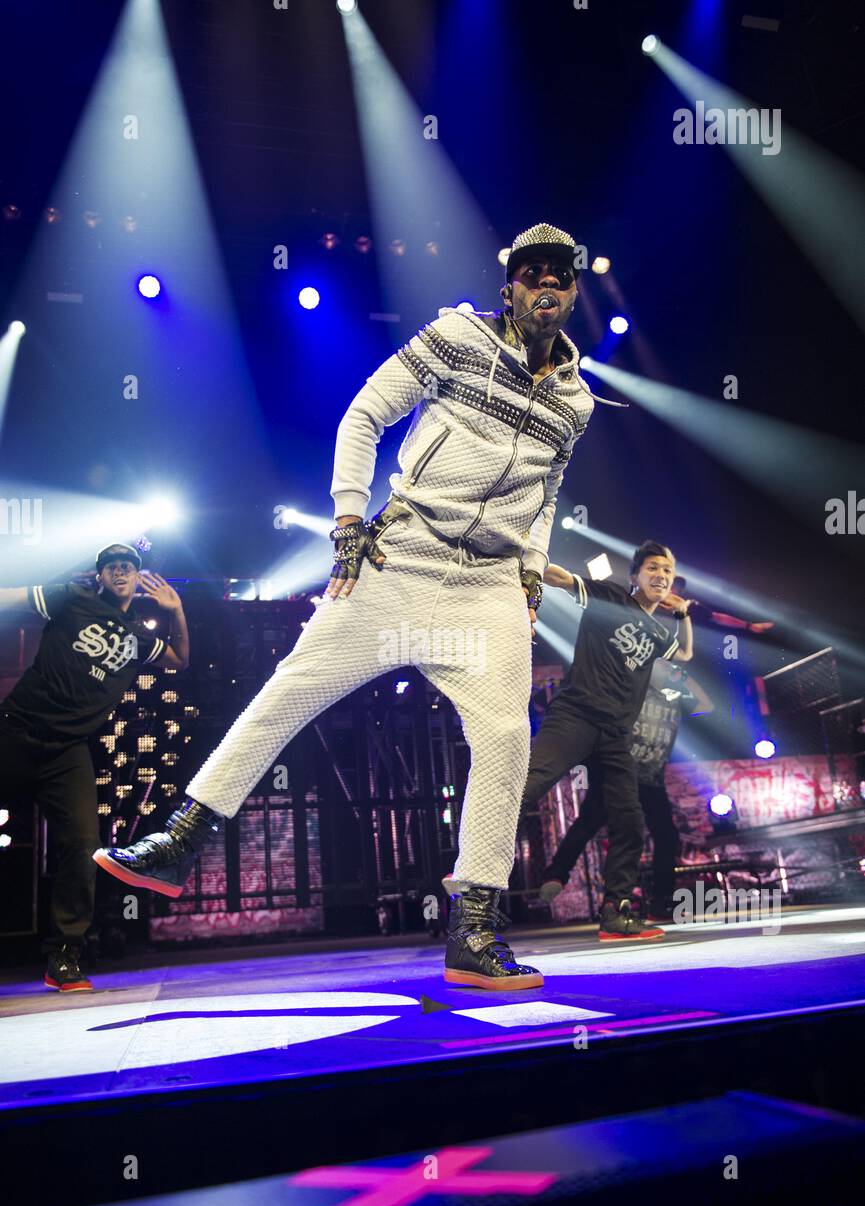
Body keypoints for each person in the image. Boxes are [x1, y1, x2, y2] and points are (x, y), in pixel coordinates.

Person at [94, 222, 607, 991]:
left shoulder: (576, 401)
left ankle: (473, 930)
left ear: (570, 293)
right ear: (509, 286)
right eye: (530, 272)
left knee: (504, 738)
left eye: (558, 277)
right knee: (292, 687)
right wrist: (344, 522)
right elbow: (364, 413)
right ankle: (179, 841)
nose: (544, 286)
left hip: (489, 585)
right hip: (402, 557)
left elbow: (546, 496)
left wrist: (532, 568)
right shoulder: (456, 337)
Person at [0, 544, 189, 990]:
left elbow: (181, 660)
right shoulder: (72, 599)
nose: (121, 573)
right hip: (16, 731)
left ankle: (64, 957)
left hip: (68, 752)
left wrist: (176, 611)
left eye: (128, 567)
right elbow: (12, 596)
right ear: (100, 575)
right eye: (112, 567)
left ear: (138, 578)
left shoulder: (139, 638)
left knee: (86, 845)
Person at [517, 541, 693, 942]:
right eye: (652, 568)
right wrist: (524, 562)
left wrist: (681, 615)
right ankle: (471, 863)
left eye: (667, 570)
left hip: (616, 733)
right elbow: (559, 577)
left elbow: (683, 653)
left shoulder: (657, 630)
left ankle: (616, 911)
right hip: (577, 713)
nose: (661, 575)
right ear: (634, 577)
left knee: (630, 820)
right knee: (531, 783)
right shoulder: (610, 595)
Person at [539, 659, 714, 918]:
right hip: (617, 773)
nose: (668, 670)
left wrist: (684, 677)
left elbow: (707, 705)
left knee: (667, 837)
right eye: (662, 665)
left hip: (651, 779)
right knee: (589, 822)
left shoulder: (675, 697)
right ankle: (556, 874)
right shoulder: (631, 692)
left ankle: (661, 902)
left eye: (669, 666)